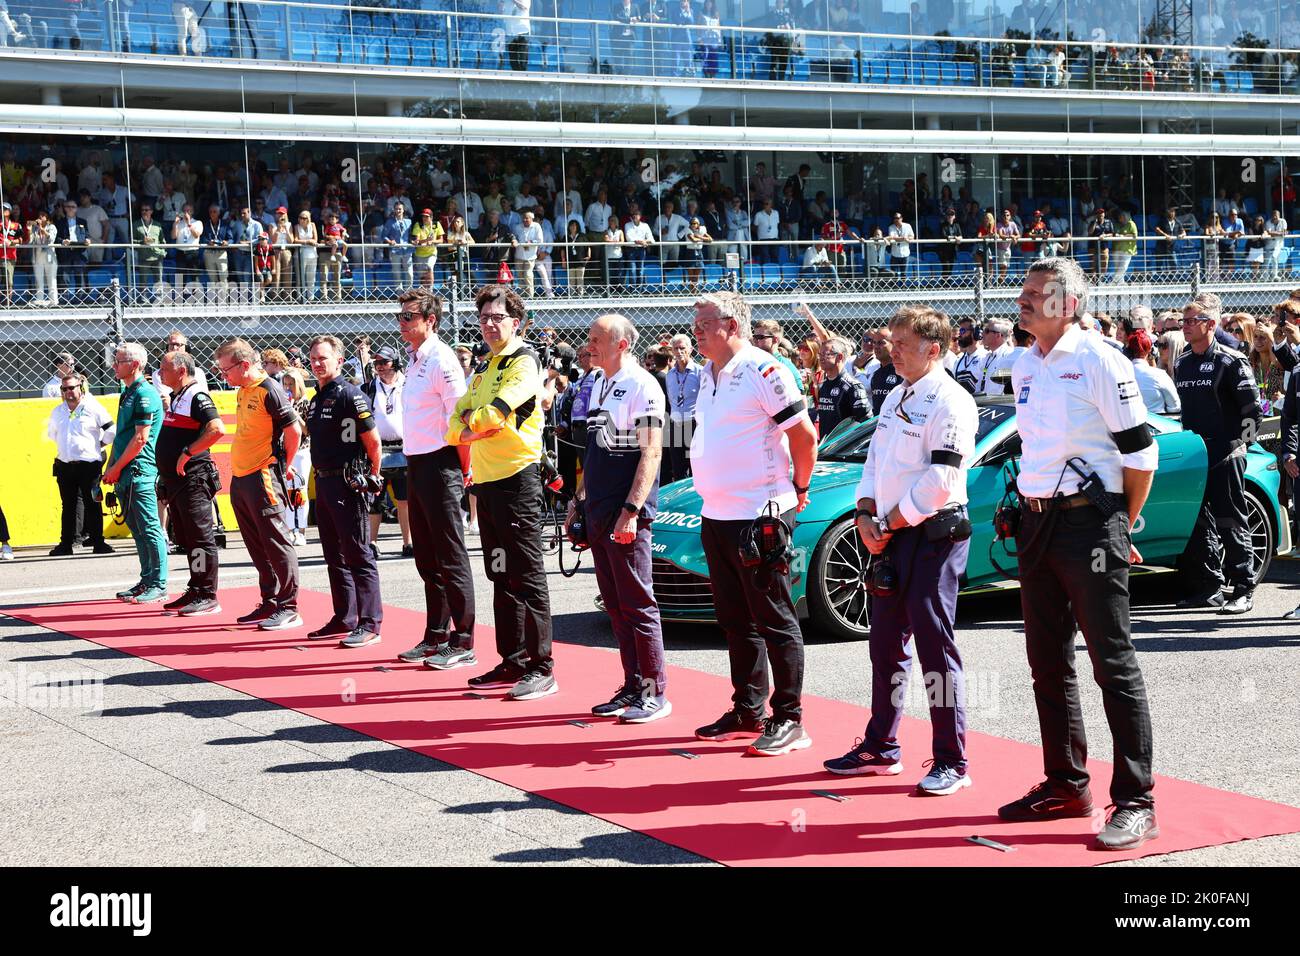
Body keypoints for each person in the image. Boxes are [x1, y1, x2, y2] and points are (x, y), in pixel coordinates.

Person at [1001, 257, 1160, 851]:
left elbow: (1141, 455)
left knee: (1111, 664)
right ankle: (1066, 784)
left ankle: (1137, 801)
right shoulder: (1024, 362)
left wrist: (1122, 522)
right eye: (1023, 291)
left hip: (1089, 526)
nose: (1022, 300)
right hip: (1037, 526)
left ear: (1067, 304)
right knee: (1047, 662)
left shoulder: (1098, 359)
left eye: (1034, 293)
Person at [825, 304, 978, 794]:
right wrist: (867, 513)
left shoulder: (951, 401)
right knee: (885, 645)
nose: (892, 350)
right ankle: (881, 746)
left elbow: (942, 477)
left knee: (936, 648)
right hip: (889, 535)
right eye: (891, 341)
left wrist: (887, 521)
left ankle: (951, 759)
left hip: (932, 535)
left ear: (933, 350)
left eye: (903, 344)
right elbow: (874, 460)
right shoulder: (894, 395)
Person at [689, 292, 819, 756]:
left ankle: (790, 718)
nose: (696, 328)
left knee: (774, 616)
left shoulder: (764, 368)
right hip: (717, 512)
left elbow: (803, 434)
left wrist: (799, 487)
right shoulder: (707, 374)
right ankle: (748, 708)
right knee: (733, 617)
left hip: (760, 510)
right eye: (695, 321)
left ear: (732, 324)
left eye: (704, 322)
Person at [446, 285, 554, 699]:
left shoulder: (524, 362)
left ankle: (541, 665)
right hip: (487, 483)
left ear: (516, 322)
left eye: (498, 317)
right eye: (484, 317)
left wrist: (473, 422)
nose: (489, 324)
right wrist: (472, 423)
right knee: (500, 574)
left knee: (527, 575)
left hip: (517, 479)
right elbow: (454, 422)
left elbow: (490, 418)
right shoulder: (485, 365)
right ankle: (513, 659)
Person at [571, 313, 671, 723]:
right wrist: (579, 501)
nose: (589, 344)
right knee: (614, 604)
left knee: (637, 602)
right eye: (590, 337)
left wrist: (630, 511)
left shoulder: (643, 385)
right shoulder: (598, 382)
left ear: (623, 344)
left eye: (597, 338)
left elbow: (651, 453)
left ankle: (654, 692)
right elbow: (594, 453)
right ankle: (631, 685)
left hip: (625, 513)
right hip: (598, 509)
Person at [391, 290, 479, 669]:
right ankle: (436, 634)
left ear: (430, 321)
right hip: (417, 461)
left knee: (450, 553)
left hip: (441, 462)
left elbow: (459, 418)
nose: (402, 323)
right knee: (426, 555)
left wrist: (465, 467)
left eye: (410, 316)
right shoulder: (414, 361)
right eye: (401, 316)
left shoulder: (442, 359)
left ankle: (464, 640)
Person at [1173, 292, 1263, 614]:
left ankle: (1243, 590)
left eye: (1191, 321)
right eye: (1183, 321)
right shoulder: (1181, 362)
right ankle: (1210, 587)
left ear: (1210, 324)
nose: (1185, 326)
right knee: (1198, 524)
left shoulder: (1230, 361)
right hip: (1194, 459)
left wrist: (1239, 447)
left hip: (1225, 457)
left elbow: (1254, 413)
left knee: (1231, 522)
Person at [216, 338, 304, 631]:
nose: (223, 375)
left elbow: (294, 430)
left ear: (243, 365)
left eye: (225, 370)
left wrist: (286, 465)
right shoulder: (243, 390)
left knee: (276, 541)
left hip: (263, 475)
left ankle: (289, 606)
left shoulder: (269, 389)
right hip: (241, 478)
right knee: (255, 543)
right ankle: (270, 600)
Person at [304, 335, 385, 648]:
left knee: (358, 553)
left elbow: (373, 441)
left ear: (339, 360)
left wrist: (373, 477)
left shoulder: (350, 395)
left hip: (348, 482)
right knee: (333, 555)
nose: (317, 363)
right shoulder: (315, 397)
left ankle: (370, 622)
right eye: (313, 358)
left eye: (323, 358)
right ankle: (345, 616)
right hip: (323, 482)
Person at [155, 350, 225, 616]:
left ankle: (208, 594)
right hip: (176, 481)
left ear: (181, 371)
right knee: (186, 537)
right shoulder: (176, 398)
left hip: (194, 478)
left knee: (200, 535)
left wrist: (188, 453)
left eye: (164, 368)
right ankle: (196, 589)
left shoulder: (197, 396)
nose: (160, 373)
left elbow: (217, 429)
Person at [103, 343, 168, 604]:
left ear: (135, 365)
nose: (114, 365)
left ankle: (159, 583)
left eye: (119, 361)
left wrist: (116, 468)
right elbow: (122, 436)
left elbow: (140, 439)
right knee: (137, 529)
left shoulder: (145, 394)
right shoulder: (126, 393)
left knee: (150, 527)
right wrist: (111, 466)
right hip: (125, 470)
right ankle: (147, 578)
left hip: (140, 469)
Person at [46, 372, 115, 556]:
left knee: (93, 503)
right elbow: (53, 434)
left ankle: (98, 542)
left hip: (89, 464)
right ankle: (66, 544)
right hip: (65, 465)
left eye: (72, 388)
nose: (68, 392)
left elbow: (111, 430)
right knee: (67, 506)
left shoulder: (93, 407)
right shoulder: (58, 411)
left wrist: (98, 444)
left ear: (81, 388)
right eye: (64, 388)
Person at [362, 345, 412, 557]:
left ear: (396, 363)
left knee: (404, 499)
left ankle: (408, 543)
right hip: (378, 448)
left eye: (384, 362)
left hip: (404, 446)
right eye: (377, 363)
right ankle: (371, 543)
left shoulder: (407, 384)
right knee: (375, 498)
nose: (380, 367)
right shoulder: (369, 388)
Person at [813, 336, 869, 440]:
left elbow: (865, 421)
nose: (821, 358)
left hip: (844, 451)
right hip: (826, 448)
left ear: (839, 357)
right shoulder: (822, 385)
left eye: (826, 354)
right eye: (819, 354)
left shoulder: (853, 386)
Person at [664, 333, 702, 483]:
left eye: (682, 348)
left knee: (696, 465)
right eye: (675, 348)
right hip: (676, 423)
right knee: (678, 467)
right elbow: (671, 399)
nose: (679, 352)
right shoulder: (670, 375)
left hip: (694, 423)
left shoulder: (700, 372)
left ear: (690, 349)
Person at [1126, 328, 1180, 415]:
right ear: (1150, 350)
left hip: (1130, 424)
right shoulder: (1159, 375)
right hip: (1157, 425)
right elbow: (1175, 407)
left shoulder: (1121, 374)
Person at [867, 326, 903, 415]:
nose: (875, 346)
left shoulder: (902, 372)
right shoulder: (876, 375)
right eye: (874, 343)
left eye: (881, 343)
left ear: (893, 344)